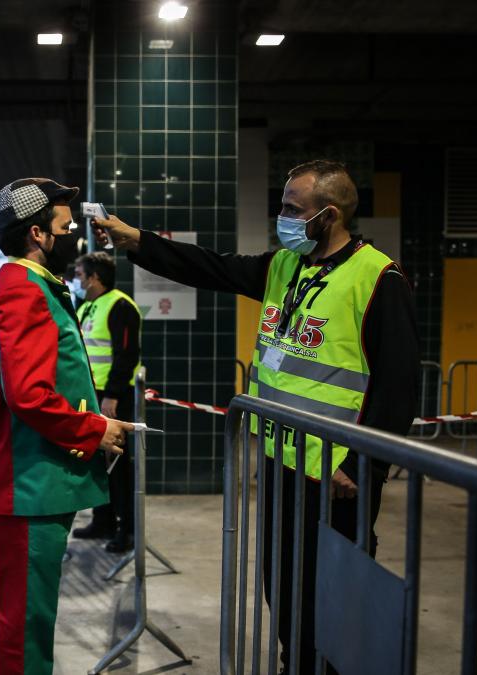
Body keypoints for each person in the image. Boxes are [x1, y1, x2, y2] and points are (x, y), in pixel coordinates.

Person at [94, 159, 419, 675]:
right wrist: (136, 240)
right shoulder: (284, 267)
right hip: (278, 459)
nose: (282, 217)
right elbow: (209, 267)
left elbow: (399, 387)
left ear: (330, 215)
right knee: (283, 586)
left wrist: (363, 465)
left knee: (330, 596)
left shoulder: (379, 278)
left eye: (293, 208)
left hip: (335, 476)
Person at [0, 177, 135, 675]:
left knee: (29, 613)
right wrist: (93, 430)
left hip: (37, 479)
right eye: (66, 228)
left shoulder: (33, 285)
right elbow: (28, 394)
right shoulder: (21, 290)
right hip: (29, 483)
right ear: (37, 234)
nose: (74, 238)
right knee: (25, 620)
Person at [71, 251, 142, 553]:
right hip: (91, 394)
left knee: (118, 465)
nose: (76, 280)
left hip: (113, 397)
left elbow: (126, 355)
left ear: (94, 277)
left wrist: (112, 394)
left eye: (79, 274)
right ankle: (103, 521)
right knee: (97, 463)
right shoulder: (87, 306)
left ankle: (127, 530)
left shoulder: (120, 305)